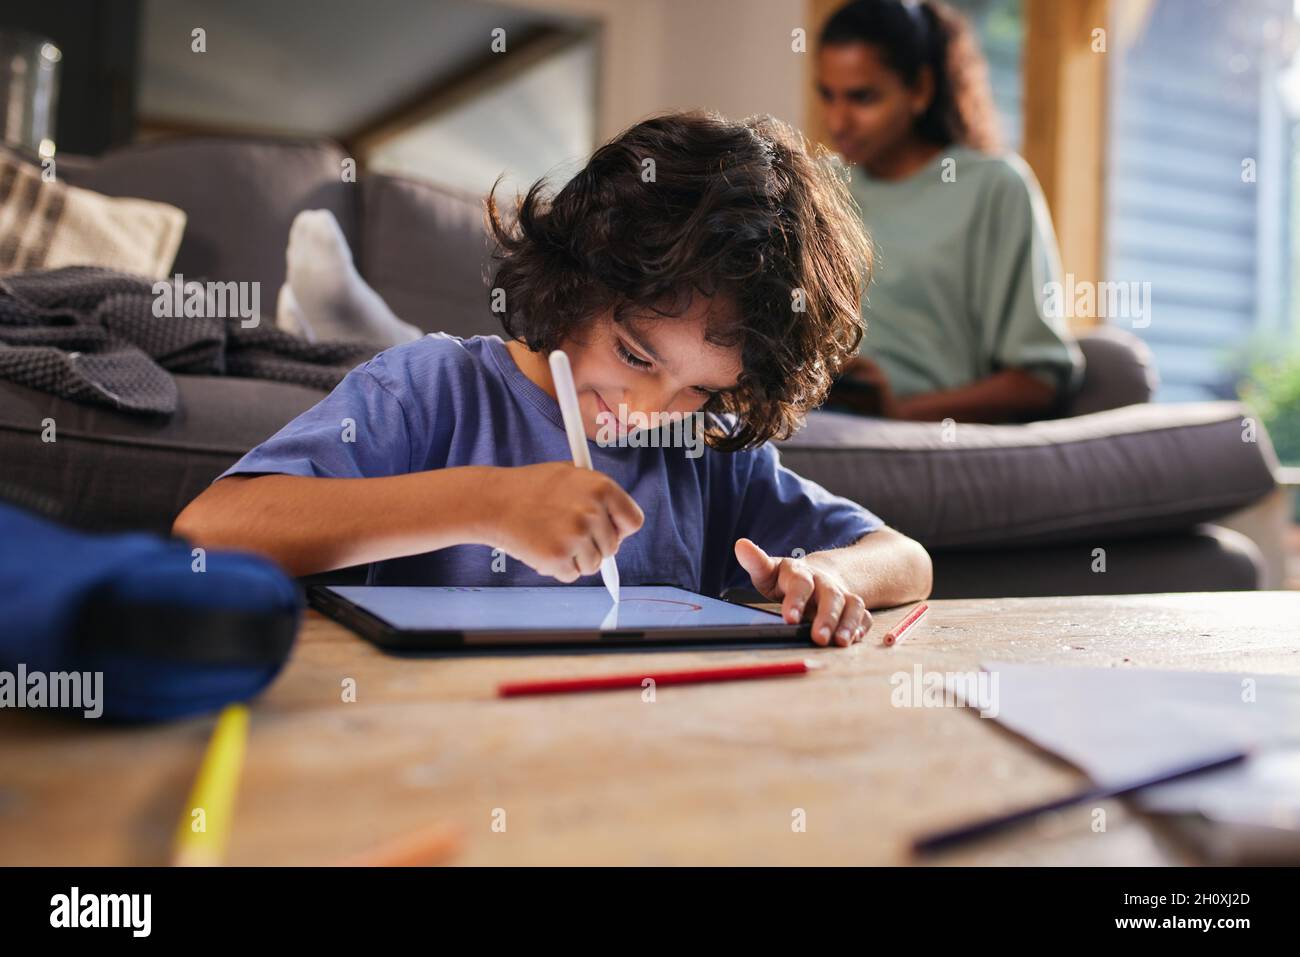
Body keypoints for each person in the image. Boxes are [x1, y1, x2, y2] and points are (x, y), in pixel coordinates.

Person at [173, 111, 932, 647]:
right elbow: (210, 531)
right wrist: (485, 501)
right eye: (636, 355)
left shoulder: (702, 450)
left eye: (700, 387)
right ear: (576, 282)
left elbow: (907, 558)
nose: (647, 410)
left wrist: (829, 572)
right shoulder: (431, 389)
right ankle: (335, 313)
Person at [817, 0, 1083, 422]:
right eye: (826, 96)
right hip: (806, 424)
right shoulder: (818, 186)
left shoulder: (994, 188)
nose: (838, 121)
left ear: (920, 89)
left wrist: (898, 413)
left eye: (862, 98)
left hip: (919, 438)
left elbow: (1038, 381)